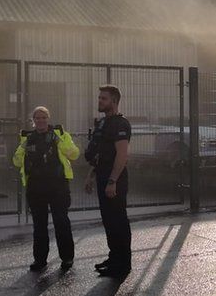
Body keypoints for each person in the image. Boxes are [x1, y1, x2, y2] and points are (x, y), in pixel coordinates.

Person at [13, 106, 80, 272]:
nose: (41, 121)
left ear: (48, 119)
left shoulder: (60, 134)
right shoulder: (28, 138)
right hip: (36, 187)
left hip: (58, 186)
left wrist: (59, 140)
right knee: (39, 225)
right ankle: (40, 260)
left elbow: (74, 154)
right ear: (33, 121)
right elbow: (16, 161)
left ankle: (67, 258)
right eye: (38, 118)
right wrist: (24, 146)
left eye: (44, 117)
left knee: (61, 222)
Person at [84, 85, 133, 278]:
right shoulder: (104, 123)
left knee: (118, 220)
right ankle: (114, 258)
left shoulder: (120, 124)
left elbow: (122, 155)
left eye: (103, 98)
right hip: (103, 175)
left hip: (115, 178)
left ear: (114, 100)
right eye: (99, 98)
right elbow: (101, 155)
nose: (99, 101)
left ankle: (123, 264)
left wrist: (112, 181)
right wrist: (91, 175)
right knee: (108, 221)